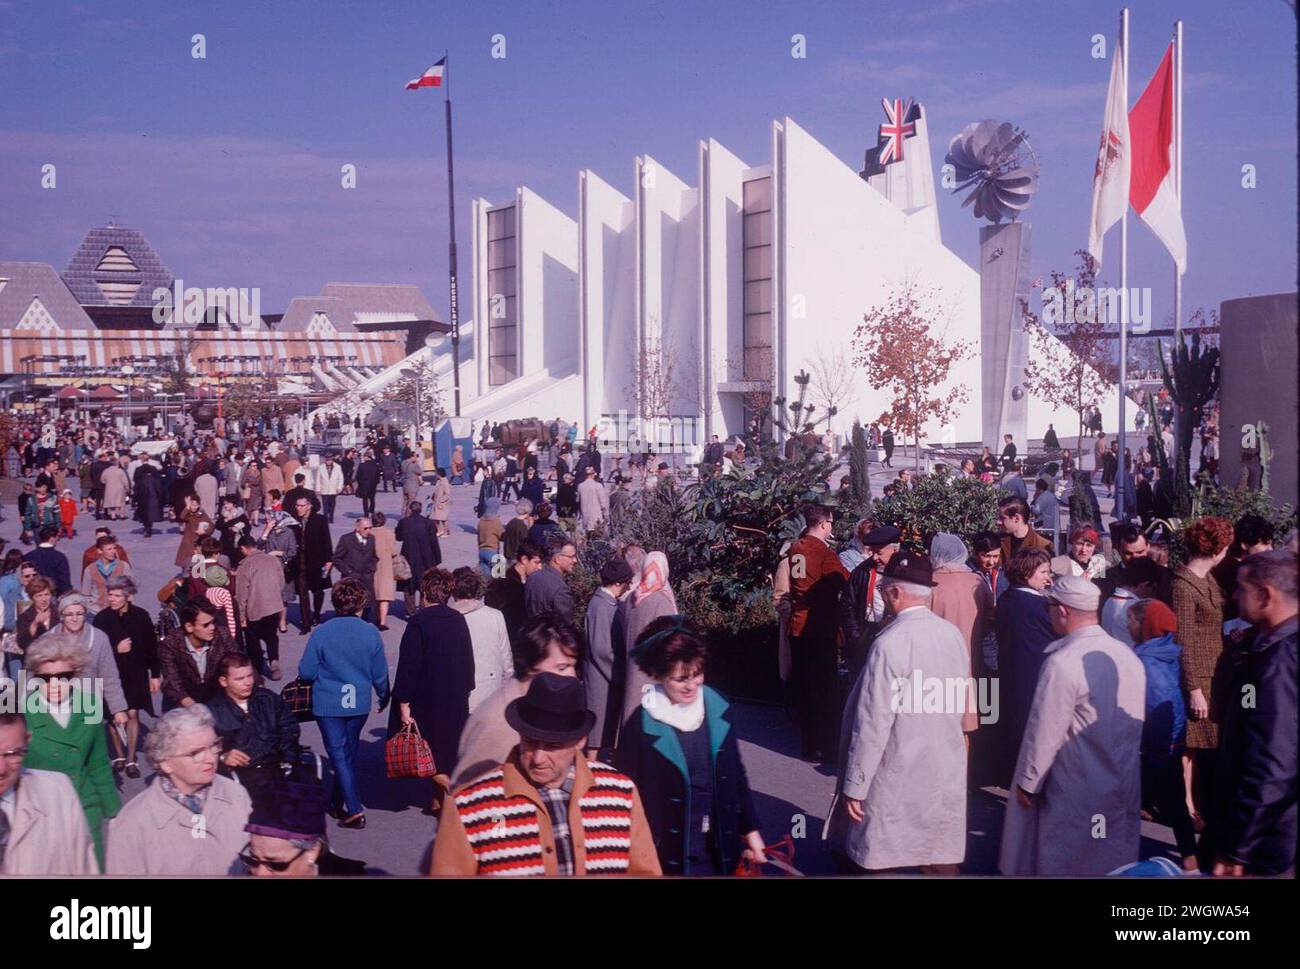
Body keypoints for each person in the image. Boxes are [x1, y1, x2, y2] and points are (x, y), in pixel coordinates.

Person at [433, 671, 661, 877]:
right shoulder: (470, 805)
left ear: (580, 740)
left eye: (553, 746)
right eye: (530, 741)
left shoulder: (621, 795)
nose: (538, 757)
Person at [827, 552, 969, 874]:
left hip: (896, 769)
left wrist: (855, 785)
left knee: (882, 857)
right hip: (943, 766)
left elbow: (873, 722)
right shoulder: (952, 635)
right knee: (938, 856)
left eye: (883, 591)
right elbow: (966, 699)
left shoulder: (889, 643)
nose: (881, 597)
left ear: (895, 593)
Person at [999, 575, 1146, 876]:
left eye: (1050, 606)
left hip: (1075, 786)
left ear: (1062, 610)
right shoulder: (1127, 656)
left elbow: (1045, 733)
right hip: (1122, 783)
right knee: (1113, 863)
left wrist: (1029, 782)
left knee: (1069, 863)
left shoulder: (1063, 662)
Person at [615, 616, 765, 874]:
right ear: (659, 675)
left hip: (717, 851)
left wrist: (750, 830)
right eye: (681, 679)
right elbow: (624, 797)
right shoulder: (640, 725)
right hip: (664, 854)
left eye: (697, 674)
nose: (692, 685)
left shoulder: (718, 708)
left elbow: (736, 776)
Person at [1209, 550, 1297, 876]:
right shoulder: (1266, 649)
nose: (1233, 595)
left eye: (1240, 588)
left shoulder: (1279, 663)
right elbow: (1253, 711)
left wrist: (1237, 847)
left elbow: (1272, 762)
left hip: (1271, 843)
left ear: (1265, 595)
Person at [106, 705, 253, 875]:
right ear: (165, 762)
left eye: (213, 746)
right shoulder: (132, 822)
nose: (211, 758)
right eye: (195, 753)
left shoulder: (236, 794)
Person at [22, 631, 121, 867]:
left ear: (75, 674)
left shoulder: (90, 707)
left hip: (86, 809)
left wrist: (114, 813)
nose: (55, 684)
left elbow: (98, 764)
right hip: (42, 815)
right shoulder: (21, 715)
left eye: (63, 676)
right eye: (45, 677)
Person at [297, 578, 391, 829]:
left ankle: (354, 810)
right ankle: (338, 801)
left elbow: (306, 672)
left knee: (338, 753)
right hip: (358, 702)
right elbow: (380, 672)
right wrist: (384, 694)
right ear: (361, 603)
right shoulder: (370, 632)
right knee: (347, 752)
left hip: (329, 702)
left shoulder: (322, 633)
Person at [451, 614, 584, 790]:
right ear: (531, 666)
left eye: (572, 666)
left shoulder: (538, 706)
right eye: (562, 667)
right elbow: (465, 795)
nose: (571, 675)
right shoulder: (498, 722)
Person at [390, 567, 476, 814]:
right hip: (455, 696)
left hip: (426, 699)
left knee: (427, 756)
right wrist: (466, 689)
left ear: (425, 592)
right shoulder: (458, 620)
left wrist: (403, 703)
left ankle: (459, 796)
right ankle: (438, 803)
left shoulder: (418, 623)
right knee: (445, 752)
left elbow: (409, 666)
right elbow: (467, 660)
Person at [1124, 599, 1198, 869]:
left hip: (1155, 747)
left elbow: (1157, 702)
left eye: (1131, 620)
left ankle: (1120, 859)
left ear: (1146, 626)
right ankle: (1190, 860)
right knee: (1176, 804)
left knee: (1127, 801)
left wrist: (1154, 748)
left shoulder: (1146, 660)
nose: (1126, 624)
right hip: (1171, 742)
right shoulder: (1166, 652)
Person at [1172, 516, 1234, 829]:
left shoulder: (1206, 578)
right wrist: (1193, 688)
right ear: (1216, 549)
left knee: (1200, 745)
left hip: (1214, 671)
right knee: (1191, 746)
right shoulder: (1184, 586)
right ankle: (1187, 806)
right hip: (1199, 676)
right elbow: (1183, 639)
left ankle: (1197, 804)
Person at [0, 711, 100, 875]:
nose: (1, 769)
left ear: (27, 740)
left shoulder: (59, 792)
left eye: (13, 754)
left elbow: (85, 869)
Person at [787, 506, 849, 762]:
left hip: (797, 626)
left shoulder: (796, 547)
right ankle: (826, 746)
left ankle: (809, 745)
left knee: (805, 689)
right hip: (820, 627)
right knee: (824, 691)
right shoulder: (824, 552)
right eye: (831, 523)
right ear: (823, 524)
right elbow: (846, 581)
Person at [994, 547, 1056, 782]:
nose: (1048, 577)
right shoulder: (1040, 607)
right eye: (1043, 572)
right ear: (1026, 572)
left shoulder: (1007, 599)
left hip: (1011, 672)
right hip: (1036, 674)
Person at [208, 652, 301, 802]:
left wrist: (288, 760)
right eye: (240, 679)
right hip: (238, 779)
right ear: (223, 681)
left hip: (277, 771)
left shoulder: (269, 699)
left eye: (250, 676)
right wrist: (222, 756)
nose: (248, 682)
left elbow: (289, 729)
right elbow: (203, 749)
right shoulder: (212, 711)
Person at [92, 575, 158, 776]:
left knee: (132, 714)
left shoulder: (141, 616)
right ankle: (119, 755)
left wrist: (155, 675)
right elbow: (95, 651)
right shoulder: (101, 619)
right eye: (110, 594)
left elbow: (151, 647)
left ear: (128, 596)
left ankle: (130, 759)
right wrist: (115, 648)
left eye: (116, 595)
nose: (111, 599)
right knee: (113, 715)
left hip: (135, 672)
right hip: (110, 675)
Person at [929, 533, 993, 735]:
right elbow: (990, 620)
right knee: (975, 725)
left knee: (942, 728)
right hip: (975, 665)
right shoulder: (978, 581)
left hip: (939, 668)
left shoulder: (929, 583)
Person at [583, 558, 634, 759]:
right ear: (619, 583)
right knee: (596, 732)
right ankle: (591, 770)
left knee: (601, 729)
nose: (629, 586)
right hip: (601, 678)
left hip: (603, 676)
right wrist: (620, 674)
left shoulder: (604, 603)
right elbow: (601, 649)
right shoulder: (601, 606)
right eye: (627, 582)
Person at [838, 525, 900, 681]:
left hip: (894, 636)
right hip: (865, 634)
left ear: (895, 550)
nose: (873, 558)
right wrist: (855, 637)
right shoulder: (861, 572)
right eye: (872, 552)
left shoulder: (906, 573)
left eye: (879, 553)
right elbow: (847, 605)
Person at [158, 601, 241, 712]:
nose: (212, 627)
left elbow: (239, 663)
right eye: (206, 625)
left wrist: (257, 685)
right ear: (189, 627)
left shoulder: (222, 635)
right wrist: (188, 702)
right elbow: (172, 680)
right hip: (180, 704)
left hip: (214, 699)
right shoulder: (170, 644)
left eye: (214, 622)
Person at [234, 535, 285, 679]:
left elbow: (241, 593)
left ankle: (257, 670)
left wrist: (242, 615)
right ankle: (274, 661)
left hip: (255, 608)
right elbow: (281, 583)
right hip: (274, 606)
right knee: (271, 636)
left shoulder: (245, 565)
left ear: (243, 548)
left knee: (252, 640)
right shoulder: (273, 560)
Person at [484, 540, 542, 643]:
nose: (540, 567)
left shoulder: (522, 580)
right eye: (536, 562)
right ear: (524, 559)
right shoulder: (510, 586)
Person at [291, 495, 332, 631]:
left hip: (316, 561)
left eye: (301, 506)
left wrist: (328, 561)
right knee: (302, 592)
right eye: (297, 505)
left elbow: (326, 541)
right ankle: (306, 623)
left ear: (309, 506)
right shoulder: (293, 521)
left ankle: (317, 614)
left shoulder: (320, 520)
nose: (298, 508)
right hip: (300, 561)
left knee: (317, 590)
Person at [395, 500, 441, 615]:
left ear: (410, 509)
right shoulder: (428, 523)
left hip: (409, 556)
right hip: (426, 558)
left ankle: (410, 611)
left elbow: (398, 537)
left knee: (408, 585)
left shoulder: (404, 522)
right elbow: (434, 542)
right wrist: (437, 559)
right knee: (424, 584)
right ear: (420, 510)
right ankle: (423, 608)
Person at [524, 533, 576, 620]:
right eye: (571, 557)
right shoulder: (560, 589)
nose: (575, 560)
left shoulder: (532, 577)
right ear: (557, 559)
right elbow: (565, 624)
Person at [79, 533, 131, 610]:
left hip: (119, 610)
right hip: (96, 611)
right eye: (109, 549)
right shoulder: (90, 569)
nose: (113, 551)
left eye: (114, 548)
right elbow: (85, 594)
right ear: (100, 551)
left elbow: (129, 591)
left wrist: (129, 608)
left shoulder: (124, 566)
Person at [997, 497, 1052, 565]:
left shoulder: (1043, 546)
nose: (998, 522)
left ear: (1017, 518)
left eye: (1002, 518)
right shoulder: (997, 541)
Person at [24, 526, 72, 596]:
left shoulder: (29, 556)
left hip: (34, 594)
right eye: (57, 537)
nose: (58, 539)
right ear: (52, 538)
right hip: (54, 594)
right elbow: (64, 581)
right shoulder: (60, 557)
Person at [175, 493, 214, 571]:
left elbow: (211, 525)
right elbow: (182, 517)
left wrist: (205, 532)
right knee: (186, 559)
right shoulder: (189, 512)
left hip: (198, 539)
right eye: (192, 505)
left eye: (195, 505)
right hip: (188, 539)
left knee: (197, 560)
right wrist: (187, 506)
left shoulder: (201, 513)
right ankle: (186, 573)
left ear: (199, 505)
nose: (193, 507)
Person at [577, 465, 609, 538]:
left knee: (588, 536)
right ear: (593, 474)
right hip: (596, 515)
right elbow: (603, 502)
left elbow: (578, 501)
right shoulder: (598, 486)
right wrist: (605, 514)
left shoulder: (580, 486)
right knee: (597, 537)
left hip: (585, 516)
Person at [476, 496, 504, 579]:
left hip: (481, 551)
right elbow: (501, 536)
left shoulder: (481, 521)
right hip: (493, 552)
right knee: (499, 578)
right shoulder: (496, 521)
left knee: (485, 579)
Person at [315, 453, 344, 524]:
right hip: (324, 489)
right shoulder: (321, 467)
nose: (328, 461)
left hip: (333, 489)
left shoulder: (338, 467)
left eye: (329, 460)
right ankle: (325, 518)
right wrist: (318, 489)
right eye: (327, 460)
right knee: (325, 505)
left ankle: (331, 517)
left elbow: (341, 478)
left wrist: (339, 487)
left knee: (332, 505)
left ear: (332, 460)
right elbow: (318, 479)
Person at [430, 467, 452, 538]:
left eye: (436, 473)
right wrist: (433, 496)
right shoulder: (439, 481)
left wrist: (441, 500)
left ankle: (446, 531)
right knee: (435, 518)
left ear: (439, 474)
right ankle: (439, 530)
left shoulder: (445, 482)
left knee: (443, 519)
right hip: (436, 503)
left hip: (442, 504)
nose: (436, 475)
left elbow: (447, 494)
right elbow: (437, 491)